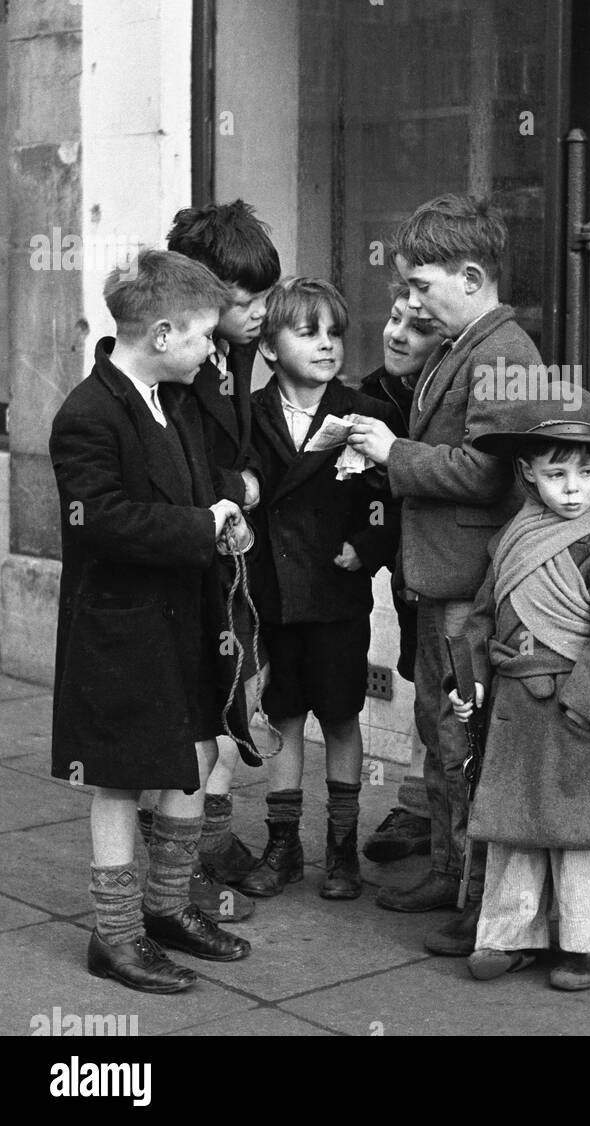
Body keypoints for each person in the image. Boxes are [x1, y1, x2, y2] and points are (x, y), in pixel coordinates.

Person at [50, 251, 255, 993]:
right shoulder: (87, 413)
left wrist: (225, 511)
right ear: (163, 334)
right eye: (205, 335)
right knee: (118, 781)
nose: (214, 349)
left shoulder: (175, 398)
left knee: (193, 759)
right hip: (122, 632)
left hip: (182, 619)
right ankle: (115, 936)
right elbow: (98, 520)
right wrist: (202, 527)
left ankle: (167, 910)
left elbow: (194, 488)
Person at [348, 194, 543, 955]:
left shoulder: (501, 352)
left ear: (470, 275)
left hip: (470, 585)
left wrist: (390, 451)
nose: (412, 301)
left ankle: (481, 901)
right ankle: (450, 871)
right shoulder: (470, 343)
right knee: (443, 730)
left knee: (467, 740)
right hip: (444, 580)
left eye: (422, 285)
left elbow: (486, 474)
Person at [447, 390, 590, 990]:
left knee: (585, 833)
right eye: (556, 473)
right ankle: (508, 936)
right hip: (518, 708)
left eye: (587, 472)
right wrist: (467, 682)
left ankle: (588, 942)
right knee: (513, 829)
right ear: (526, 473)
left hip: (582, 710)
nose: (573, 487)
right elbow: (484, 614)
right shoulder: (517, 537)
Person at [235, 278, 399, 900]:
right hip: (273, 592)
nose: (327, 345)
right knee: (280, 716)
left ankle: (341, 850)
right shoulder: (248, 417)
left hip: (336, 592)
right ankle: (282, 847)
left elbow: (389, 501)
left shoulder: (367, 413)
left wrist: (369, 545)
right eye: (308, 333)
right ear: (272, 348)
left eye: (334, 333)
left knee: (339, 716)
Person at [139, 200, 281, 911]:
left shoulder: (236, 348)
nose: (258, 313)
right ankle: (178, 860)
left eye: (263, 297)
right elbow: (172, 465)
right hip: (189, 552)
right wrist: (237, 486)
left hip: (227, 553)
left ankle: (212, 840)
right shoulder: (175, 363)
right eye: (244, 299)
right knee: (185, 720)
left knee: (226, 704)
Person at [359, 284, 444, 864]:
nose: (396, 335)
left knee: (449, 690)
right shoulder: (373, 393)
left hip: (452, 561)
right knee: (420, 676)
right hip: (406, 562)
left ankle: (430, 805)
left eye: (415, 329)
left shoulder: (456, 394)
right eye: (393, 320)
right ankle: (418, 804)